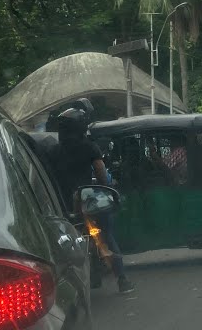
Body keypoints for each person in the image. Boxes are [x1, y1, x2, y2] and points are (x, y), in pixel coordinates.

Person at [49, 103, 135, 294]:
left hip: (64, 204)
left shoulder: (53, 151)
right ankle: (122, 279)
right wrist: (109, 188)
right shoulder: (89, 147)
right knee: (107, 234)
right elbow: (101, 173)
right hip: (88, 200)